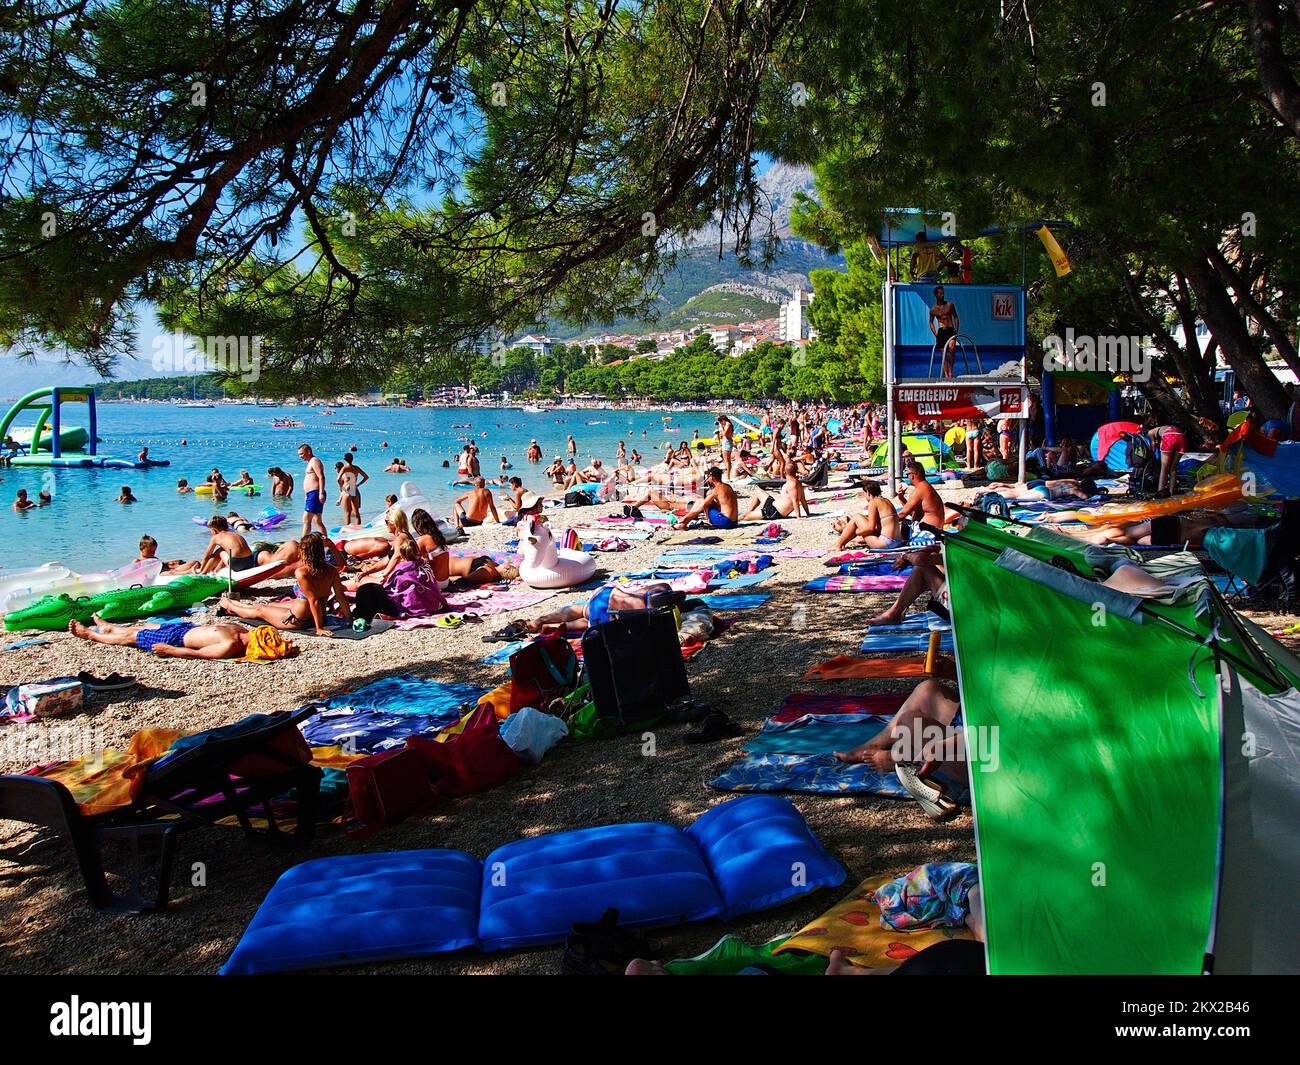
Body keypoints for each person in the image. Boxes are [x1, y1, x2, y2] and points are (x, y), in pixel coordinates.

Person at [218, 532, 352, 635]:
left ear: (304, 551)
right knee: (269, 605)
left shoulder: (302, 572)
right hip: (317, 616)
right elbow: (340, 596)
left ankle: (228, 604)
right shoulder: (330, 570)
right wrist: (350, 620)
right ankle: (235, 604)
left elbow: (314, 600)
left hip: (298, 620)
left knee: (260, 610)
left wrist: (319, 628)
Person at [518, 582, 687, 635]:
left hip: (608, 598)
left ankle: (540, 620)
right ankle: (557, 627)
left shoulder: (659, 588)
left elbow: (679, 595)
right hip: (610, 622)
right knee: (588, 621)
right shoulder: (658, 618)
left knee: (582, 610)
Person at [410, 508, 517, 587]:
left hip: (443, 577)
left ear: (507, 568)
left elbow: (465, 580)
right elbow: (514, 563)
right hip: (445, 571)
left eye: (510, 565)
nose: (510, 563)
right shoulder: (495, 566)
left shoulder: (489, 573)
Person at [69, 616, 254, 659]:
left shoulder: (231, 645)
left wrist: (170, 650)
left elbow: (200, 654)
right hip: (187, 628)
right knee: (148, 626)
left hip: (177, 639)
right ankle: (111, 627)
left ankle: (91, 635)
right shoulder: (240, 629)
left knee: (133, 637)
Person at [199, 515, 299, 575]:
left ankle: (202, 573)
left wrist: (202, 566)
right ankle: (217, 570)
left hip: (238, 564)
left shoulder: (216, 537)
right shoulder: (234, 534)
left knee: (220, 552)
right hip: (250, 562)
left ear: (214, 529)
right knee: (223, 549)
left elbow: (207, 556)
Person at [648, 466, 738, 529]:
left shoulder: (717, 489)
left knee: (700, 501)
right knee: (704, 501)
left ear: (712, 478)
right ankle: (686, 520)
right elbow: (720, 505)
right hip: (734, 523)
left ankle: (683, 522)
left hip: (725, 522)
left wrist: (706, 519)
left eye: (708, 477)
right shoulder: (727, 486)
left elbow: (703, 504)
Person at [835, 481, 904, 549]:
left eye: (864, 493)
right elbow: (878, 526)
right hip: (898, 542)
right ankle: (841, 543)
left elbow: (871, 528)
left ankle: (838, 545)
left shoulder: (873, 502)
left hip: (885, 543)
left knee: (856, 517)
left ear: (868, 492)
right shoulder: (887, 501)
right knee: (859, 518)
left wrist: (856, 532)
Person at [741, 456, 810, 522]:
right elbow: (803, 499)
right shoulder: (797, 482)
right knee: (758, 491)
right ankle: (750, 511)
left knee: (744, 516)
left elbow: (795, 500)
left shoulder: (792, 484)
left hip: (774, 511)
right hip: (774, 505)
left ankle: (735, 519)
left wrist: (798, 516)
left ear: (784, 472)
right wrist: (808, 513)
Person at [896, 461, 945, 531]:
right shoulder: (925, 486)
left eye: (907, 474)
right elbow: (912, 511)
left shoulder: (920, 490)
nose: (907, 477)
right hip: (935, 530)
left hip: (928, 533)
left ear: (912, 475)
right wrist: (901, 498)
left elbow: (902, 514)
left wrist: (881, 522)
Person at [1147, 421, 1184, 497]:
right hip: (1181, 437)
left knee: (1164, 468)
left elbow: (1153, 445)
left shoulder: (1150, 432)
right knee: (1173, 469)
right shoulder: (1165, 427)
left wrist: (1151, 456)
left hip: (1168, 437)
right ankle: (1171, 492)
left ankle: (1160, 491)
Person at [928, 285, 960, 375]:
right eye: (940, 293)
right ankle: (946, 374)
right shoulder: (933, 309)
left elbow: (956, 317)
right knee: (943, 353)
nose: (943, 295)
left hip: (950, 330)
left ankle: (951, 370)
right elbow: (930, 322)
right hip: (941, 331)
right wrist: (935, 333)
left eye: (943, 293)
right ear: (936, 295)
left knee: (952, 348)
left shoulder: (950, 305)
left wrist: (956, 331)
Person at [298, 443, 327, 537]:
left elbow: (321, 476)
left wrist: (321, 493)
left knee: (306, 519)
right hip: (312, 494)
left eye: (302, 454)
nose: (300, 456)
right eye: (299, 454)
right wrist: (306, 495)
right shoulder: (310, 462)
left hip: (315, 493)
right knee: (317, 521)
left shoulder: (314, 461)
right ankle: (326, 543)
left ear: (309, 452)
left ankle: (303, 544)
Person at [337, 453, 369, 525]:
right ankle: (358, 530)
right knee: (357, 513)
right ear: (352, 459)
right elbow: (366, 477)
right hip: (354, 488)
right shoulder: (356, 468)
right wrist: (359, 484)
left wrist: (341, 487)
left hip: (347, 489)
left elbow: (338, 479)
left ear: (345, 460)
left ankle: (347, 532)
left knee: (347, 513)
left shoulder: (344, 468)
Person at [716, 414, 736, 480]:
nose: (721, 423)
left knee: (727, 461)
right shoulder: (727, 424)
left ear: (723, 420)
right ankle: (728, 475)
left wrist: (721, 427)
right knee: (726, 461)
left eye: (721, 422)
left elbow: (725, 434)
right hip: (727, 442)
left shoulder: (728, 424)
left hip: (727, 442)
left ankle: (728, 477)